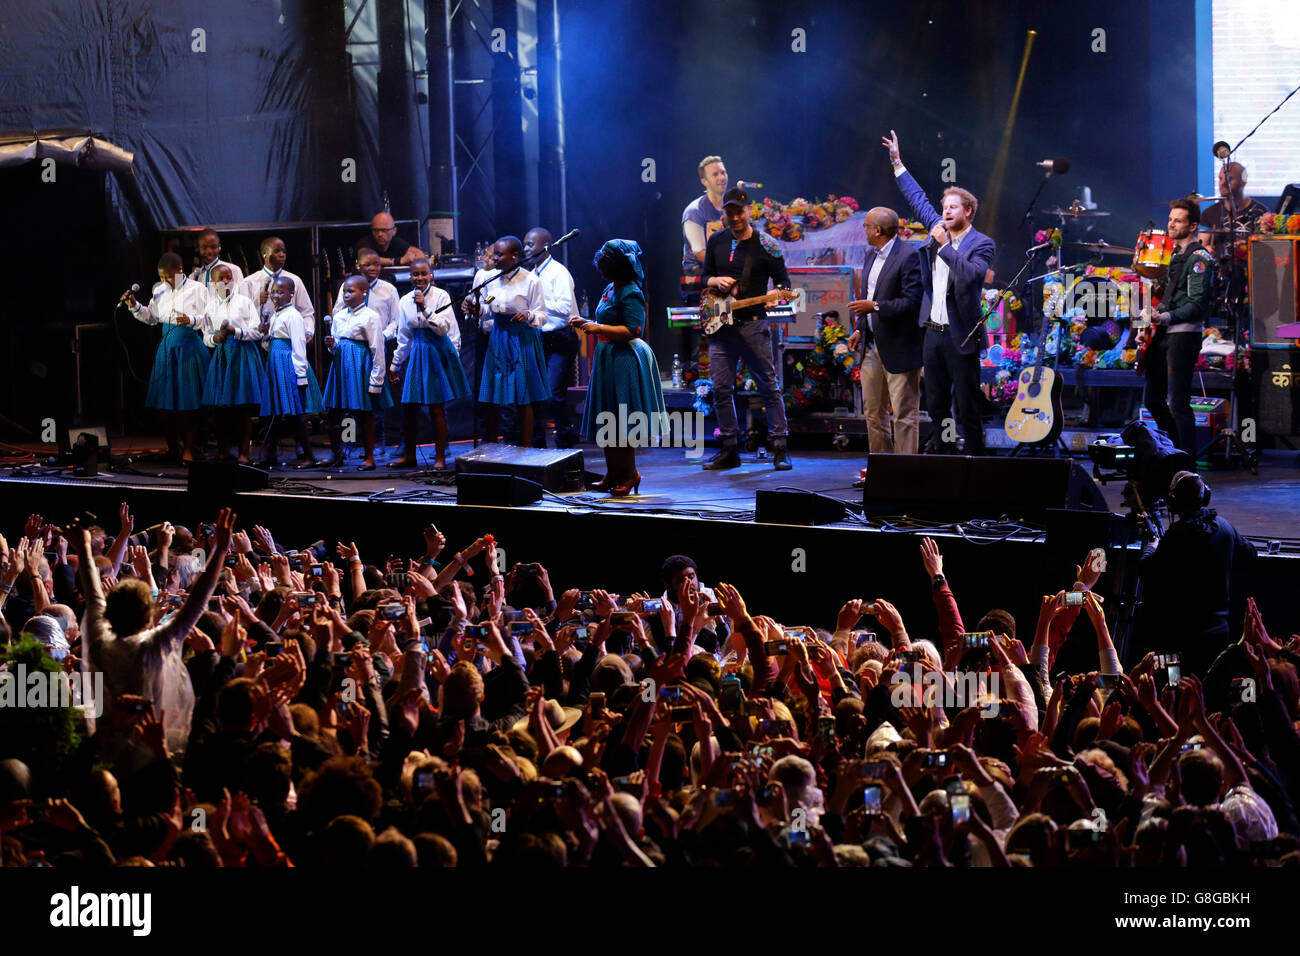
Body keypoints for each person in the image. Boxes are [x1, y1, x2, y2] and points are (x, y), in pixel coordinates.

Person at [884, 129, 995, 455]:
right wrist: (898, 164)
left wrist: (946, 248)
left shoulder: (981, 243)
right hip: (932, 335)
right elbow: (918, 199)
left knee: (966, 405)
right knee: (936, 405)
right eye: (944, 207)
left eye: (953, 208)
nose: (945, 212)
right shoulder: (938, 229)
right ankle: (945, 459)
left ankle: (974, 460)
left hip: (962, 336)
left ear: (968, 211)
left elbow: (973, 276)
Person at [700, 186, 792, 471]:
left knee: (768, 387)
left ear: (749, 211)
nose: (734, 217)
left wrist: (776, 296)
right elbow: (704, 277)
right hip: (721, 329)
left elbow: (785, 285)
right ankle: (729, 450)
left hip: (753, 327)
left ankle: (780, 448)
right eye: (729, 213)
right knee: (721, 389)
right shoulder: (716, 240)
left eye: (739, 212)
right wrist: (715, 282)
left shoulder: (768, 245)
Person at [1137, 471, 1257, 677]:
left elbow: (1146, 569)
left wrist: (1151, 546)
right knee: (1208, 692)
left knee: (1174, 688)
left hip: (1178, 641)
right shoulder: (1225, 527)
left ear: (1174, 501)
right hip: (1218, 636)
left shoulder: (1176, 535)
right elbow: (1251, 555)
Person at [570, 239, 666, 496]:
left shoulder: (631, 292)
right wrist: (587, 321)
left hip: (624, 358)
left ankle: (630, 474)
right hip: (608, 357)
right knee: (607, 419)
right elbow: (607, 319)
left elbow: (633, 330)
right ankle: (613, 473)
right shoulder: (611, 288)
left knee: (621, 420)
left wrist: (599, 328)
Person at [845, 207, 924, 463]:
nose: (864, 230)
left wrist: (876, 307)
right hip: (871, 345)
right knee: (873, 412)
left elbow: (912, 302)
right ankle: (880, 471)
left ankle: (904, 473)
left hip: (900, 346)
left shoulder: (909, 255)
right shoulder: (871, 255)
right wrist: (860, 327)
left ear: (878, 230)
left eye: (866, 226)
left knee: (904, 414)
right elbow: (868, 297)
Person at [1138, 198, 1215, 458]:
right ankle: (1174, 453)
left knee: (1178, 403)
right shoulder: (1171, 256)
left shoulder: (1199, 258)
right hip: (1161, 332)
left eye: (1178, 220)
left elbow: (1196, 305)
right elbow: (1159, 294)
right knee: (1152, 400)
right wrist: (1144, 324)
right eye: (1170, 219)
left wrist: (1165, 317)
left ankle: (1186, 463)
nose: (1171, 224)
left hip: (1183, 334)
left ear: (1193, 226)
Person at [121, 252, 211, 462]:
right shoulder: (160, 290)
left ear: (180, 271)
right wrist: (134, 306)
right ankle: (173, 447)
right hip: (166, 348)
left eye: (168, 276)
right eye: (161, 277)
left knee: (188, 403)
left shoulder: (197, 290)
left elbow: (210, 317)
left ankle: (189, 449)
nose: (164, 281)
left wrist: (191, 319)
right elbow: (151, 318)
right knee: (164, 404)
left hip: (188, 346)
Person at [462, 236, 549, 448]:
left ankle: (526, 448)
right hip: (499, 336)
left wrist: (528, 315)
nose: (494, 259)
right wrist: (477, 309)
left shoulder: (531, 280)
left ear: (514, 256)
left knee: (523, 394)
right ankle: (491, 446)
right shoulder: (489, 278)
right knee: (492, 393)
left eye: (499, 255)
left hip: (522, 338)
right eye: (494, 254)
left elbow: (542, 315)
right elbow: (487, 307)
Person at [387, 258, 470, 469]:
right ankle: (409, 455)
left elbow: (445, 329)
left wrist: (425, 309)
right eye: (415, 274)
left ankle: (440, 457)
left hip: (437, 350)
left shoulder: (441, 296)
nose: (420, 278)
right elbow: (404, 336)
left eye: (424, 274)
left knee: (436, 408)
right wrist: (395, 364)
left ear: (431, 275)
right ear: (410, 277)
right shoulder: (405, 301)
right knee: (410, 408)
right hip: (418, 351)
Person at [334, 248, 401, 453]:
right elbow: (338, 312)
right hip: (352, 349)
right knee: (349, 401)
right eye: (367, 264)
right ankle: (351, 440)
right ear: (358, 266)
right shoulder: (347, 287)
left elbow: (395, 321)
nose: (372, 268)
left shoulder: (388, 289)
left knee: (374, 398)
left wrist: (382, 335)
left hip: (379, 345)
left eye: (376, 264)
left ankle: (379, 441)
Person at [323, 275, 394, 471]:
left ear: (364, 293)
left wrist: (376, 380)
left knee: (364, 413)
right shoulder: (338, 316)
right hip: (341, 367)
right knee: (335, 411)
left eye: (351, 291)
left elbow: (377, 349)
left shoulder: (371, 316)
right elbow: (337, 346)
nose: (346, 294)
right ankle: (337, 453)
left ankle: (369, 456)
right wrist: (332, 345)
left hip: (359, 367)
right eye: (345, 291)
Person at [520, 227, 581, 448]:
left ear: (545, 245)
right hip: (539, 339)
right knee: (536, 394)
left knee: (554, 394)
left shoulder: (558, 272)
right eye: (525, 244)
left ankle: (565, 439)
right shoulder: (531, 274)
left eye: (530, 244)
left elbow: (565, 308)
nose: (525, 248)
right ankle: (538, 443)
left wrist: (537, 303)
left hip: (560, 338)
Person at [200, 264, 267, 463]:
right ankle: (223, 451)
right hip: (223, 357)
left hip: (243, 354)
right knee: (221, 408)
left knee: (242, 407)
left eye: (229, 278)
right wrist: (215, 340)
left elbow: (257, 331)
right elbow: (206, 335)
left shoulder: (244, 302)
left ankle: (244, 453)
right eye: (221, 279)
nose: (226, 281)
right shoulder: (210, 306)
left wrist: (235, 332)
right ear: (213, 283)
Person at [258, 276, 325, 468]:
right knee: (276, 411)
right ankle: (269, 454)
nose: (276, 295)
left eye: (281, 292)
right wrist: (264, 332)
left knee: (294, 413)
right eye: (274, 292)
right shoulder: (275, 314)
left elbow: (298, 346)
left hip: (287, 366)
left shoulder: (293, 315)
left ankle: (308, 455)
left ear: (291, 294)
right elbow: (269, 344)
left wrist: (300, 374)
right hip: (275, 364)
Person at [238, 237, 316, 345]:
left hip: (287, 342)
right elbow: (239, 315)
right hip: (256, 342)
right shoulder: (249, 282)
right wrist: (255, 302)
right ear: (264, 254)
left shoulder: (295, 280)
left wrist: (308, 332)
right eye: (277, 251)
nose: (282, 255)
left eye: (284, 251)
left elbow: (306, 312)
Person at [1199, 162, 1268, 258]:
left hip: (1251, 269)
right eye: (1220, 179)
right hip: (1219, 270)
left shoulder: (1260, 212)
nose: (1222, 183)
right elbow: (1201, 247)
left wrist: (1247, 246)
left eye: (1229, 179)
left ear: (1243, 182)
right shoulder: (1209, 213)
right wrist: (1206, 251)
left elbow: (1267, 248)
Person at [681, 155, 728, 275]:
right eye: (715, 174)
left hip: (725, 269)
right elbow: (700, 254)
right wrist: (733, 263)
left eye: (723, 172)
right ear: (704, 181)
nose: (722, 177)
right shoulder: (694, 211)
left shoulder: (730, 207)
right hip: (699, 274)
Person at [354, 211, 426, 267]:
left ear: (394, 231)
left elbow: (420, 255)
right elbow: (365, 257)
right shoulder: (365, 242)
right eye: (376, 230)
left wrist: (410, 259)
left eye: (384, 230)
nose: (379, 234)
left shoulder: (396, 242)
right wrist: (399, 261)